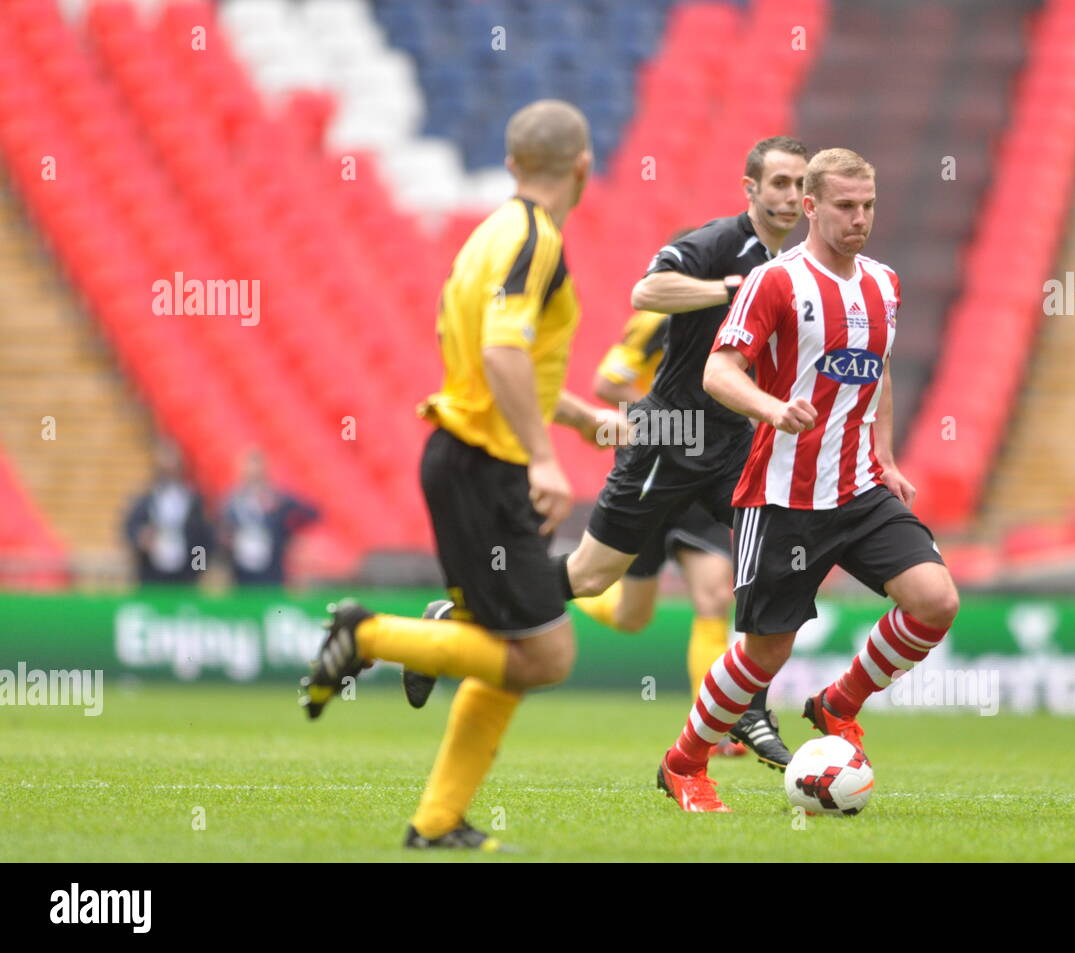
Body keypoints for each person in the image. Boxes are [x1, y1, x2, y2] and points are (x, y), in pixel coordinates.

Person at [301, 99, 615, 851]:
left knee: (515, 653)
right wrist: (545, 457)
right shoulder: (536, 241)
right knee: (548, 654)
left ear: (512, 164)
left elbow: (500, 362)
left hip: (462, 457)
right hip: (486, 466)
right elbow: (503, 355)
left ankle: (438, 821)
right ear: (583, 167)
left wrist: (577, 419)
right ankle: (370, 634)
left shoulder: (491, 232)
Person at [656, 148, 961, 812]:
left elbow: (876, 371)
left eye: (868, 205)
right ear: (812, 207)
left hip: (860, 487)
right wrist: (772, 409)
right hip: (783, 494)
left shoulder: (884, 283)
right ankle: (683, 763)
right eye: (846, 206)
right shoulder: (776, 281)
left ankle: (838, 703)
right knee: (765, 653)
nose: (860, 219)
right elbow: (718, 371)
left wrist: (887, 457)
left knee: (935, 601)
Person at [553, 136, 811, 768]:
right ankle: (481, 600)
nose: (791, 196)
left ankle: (737, 712)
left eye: (801, 185)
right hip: (668, 441)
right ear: (751, 189)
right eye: (779, 183)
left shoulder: (794, 266)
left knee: (760, 558)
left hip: (729, 446)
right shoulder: (719, 247)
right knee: (602, 588)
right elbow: (643, 303)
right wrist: (729, 290)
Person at [576, 301, 748, 759]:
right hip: (654, 471)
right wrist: (669, 420)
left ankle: (714, 728)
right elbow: (606, 382)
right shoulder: (661, 318)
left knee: (714, 598)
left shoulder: (741, 316)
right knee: (632, 618)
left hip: (705, 472)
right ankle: (568, 590)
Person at [219, 450, 319, 586]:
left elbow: (310, 513)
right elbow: (222, 529)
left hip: (272, 568)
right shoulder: (232, 501)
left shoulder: (278, 497)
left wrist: (291, 534)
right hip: (242, 569)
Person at [123, 442, 213, 585]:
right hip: (152, 572)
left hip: (185, 574)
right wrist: (140, 537)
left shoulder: (193, 500)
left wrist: (198, 570)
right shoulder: (147, 499)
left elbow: (203, 539)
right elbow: (130, 527)